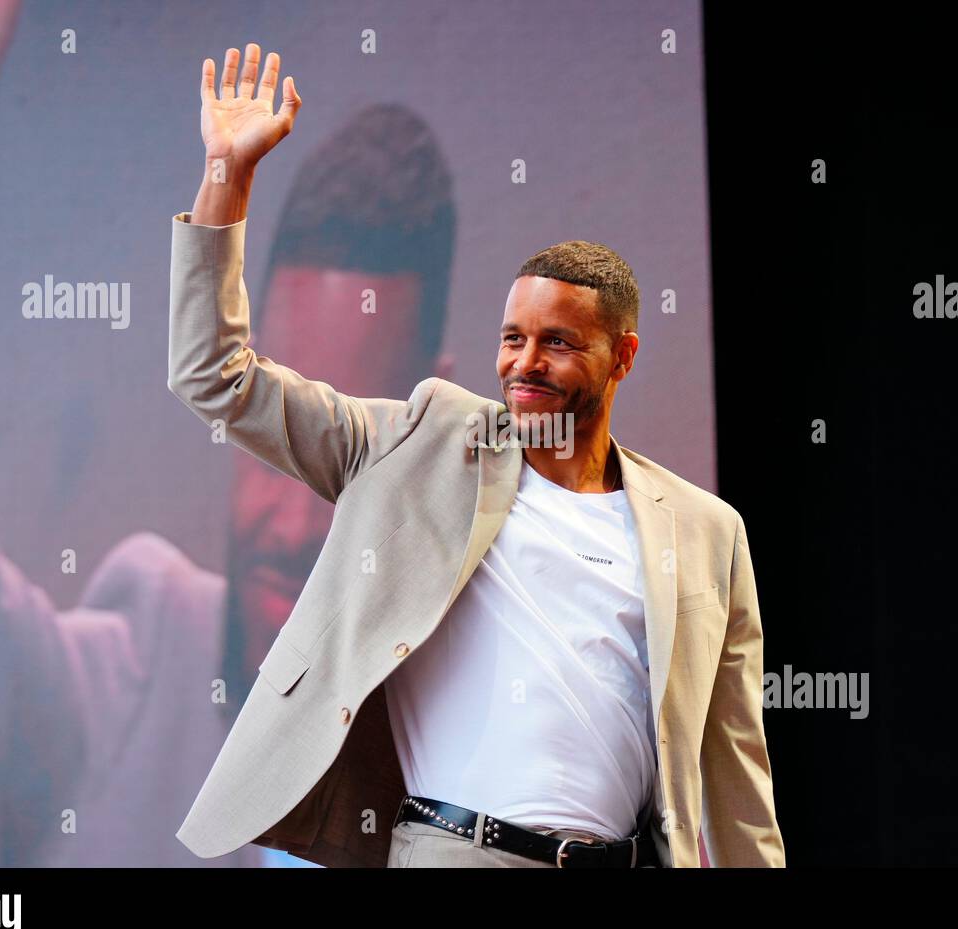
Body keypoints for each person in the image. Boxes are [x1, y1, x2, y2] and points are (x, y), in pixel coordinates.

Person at [170, 44, 785, 868]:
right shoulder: (421, 442)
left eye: (557, 342)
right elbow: (217, 377)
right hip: (454, 849)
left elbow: (736, 775)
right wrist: (227, 176)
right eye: (512, 338)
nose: (524, 363)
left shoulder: (709, 531)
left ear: (623, 355)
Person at [0, 1, 452, 868]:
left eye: (340, 447)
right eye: (275, 420)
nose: (291, 523)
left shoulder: (462, 725)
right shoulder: (137, 671)